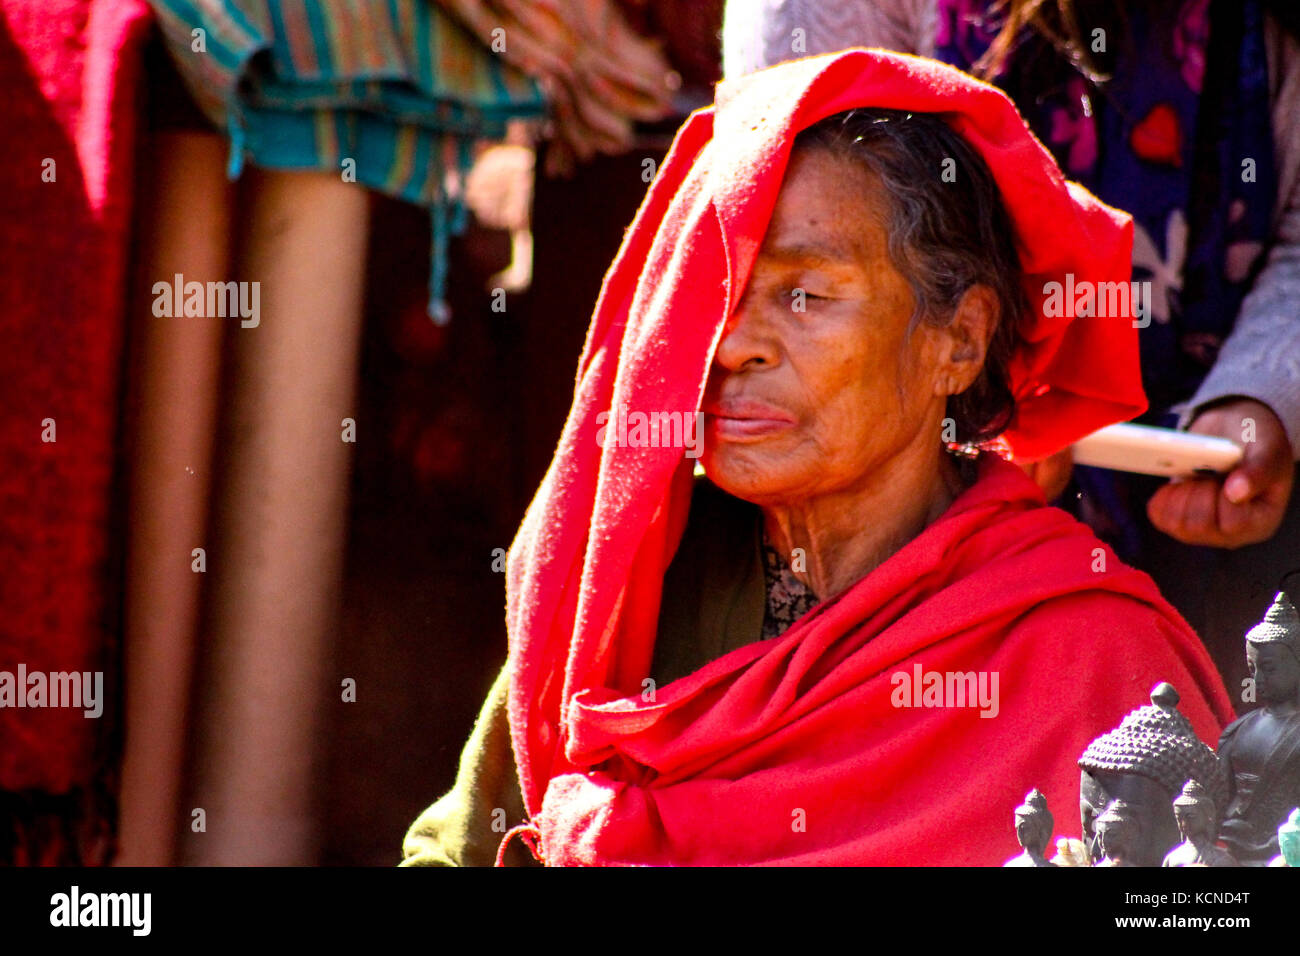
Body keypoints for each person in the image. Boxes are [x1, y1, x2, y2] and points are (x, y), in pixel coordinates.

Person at [401, 48, 1234, 867]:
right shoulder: (630, 600)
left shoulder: (1093, 662)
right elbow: (462, 847)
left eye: (805, 295)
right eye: (716, 292)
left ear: (961, 339)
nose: (732, 344)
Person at [722, 0, 1300, 694]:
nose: (733, 350)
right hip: (913, 500)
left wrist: (1262, 395)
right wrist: (967, 422)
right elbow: (780, 230)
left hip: (1222, 526)